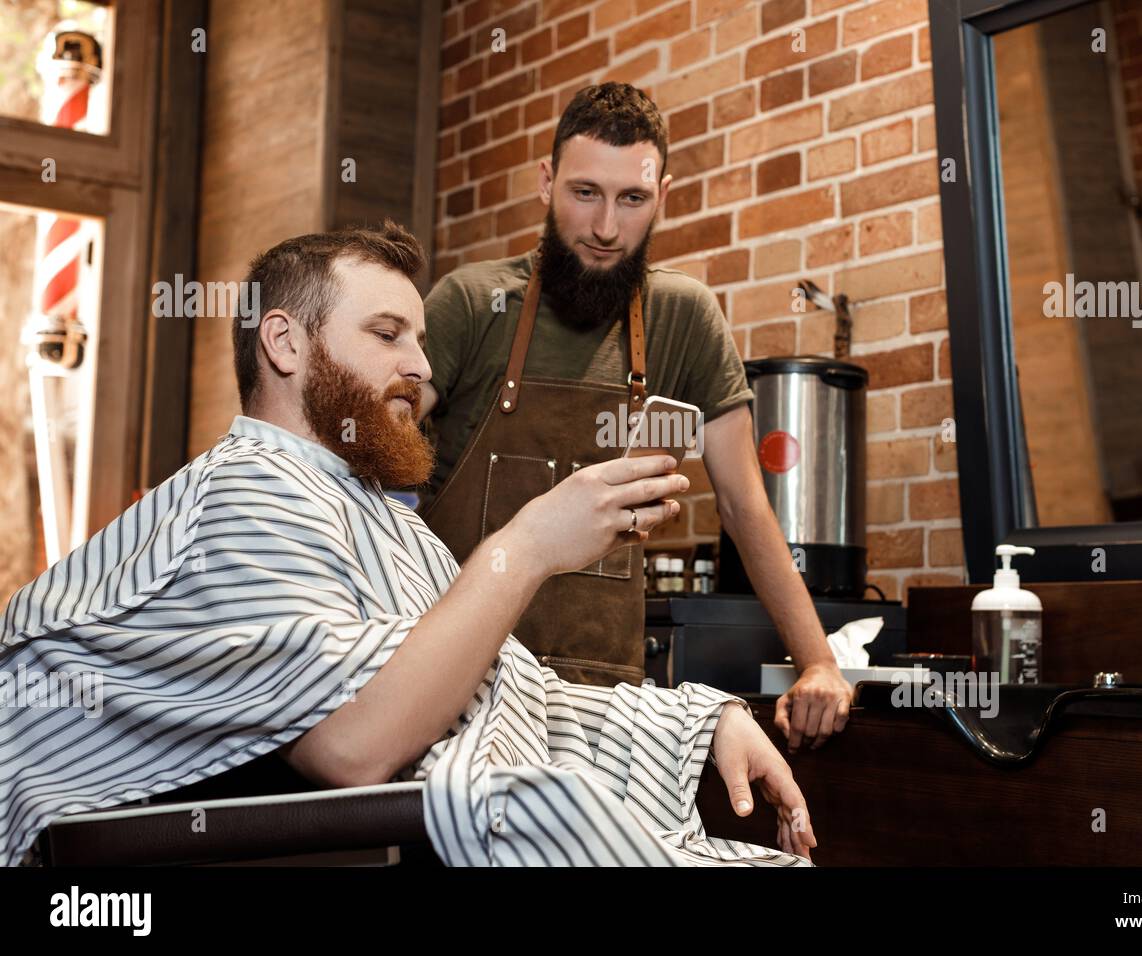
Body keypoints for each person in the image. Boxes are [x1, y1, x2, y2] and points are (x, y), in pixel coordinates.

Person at [0, 222, 815, 867]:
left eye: (419, 340)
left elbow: (502, 694)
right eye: (388, 334)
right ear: (284, 344)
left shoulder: (373, 511)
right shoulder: (248, 494)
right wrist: (525, 546)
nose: (420, 367)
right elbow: (353, 748)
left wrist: (700, 721)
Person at [419, 82, 852, 751]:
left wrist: (818, 660)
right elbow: (367, 471)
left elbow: (744, 506)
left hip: (601, 709)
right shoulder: (471, 306)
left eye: (632, 200)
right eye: (584, 192)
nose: (605, 228)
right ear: (546, 181)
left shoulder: (684, 319)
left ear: (663, 199)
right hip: (452, 692)